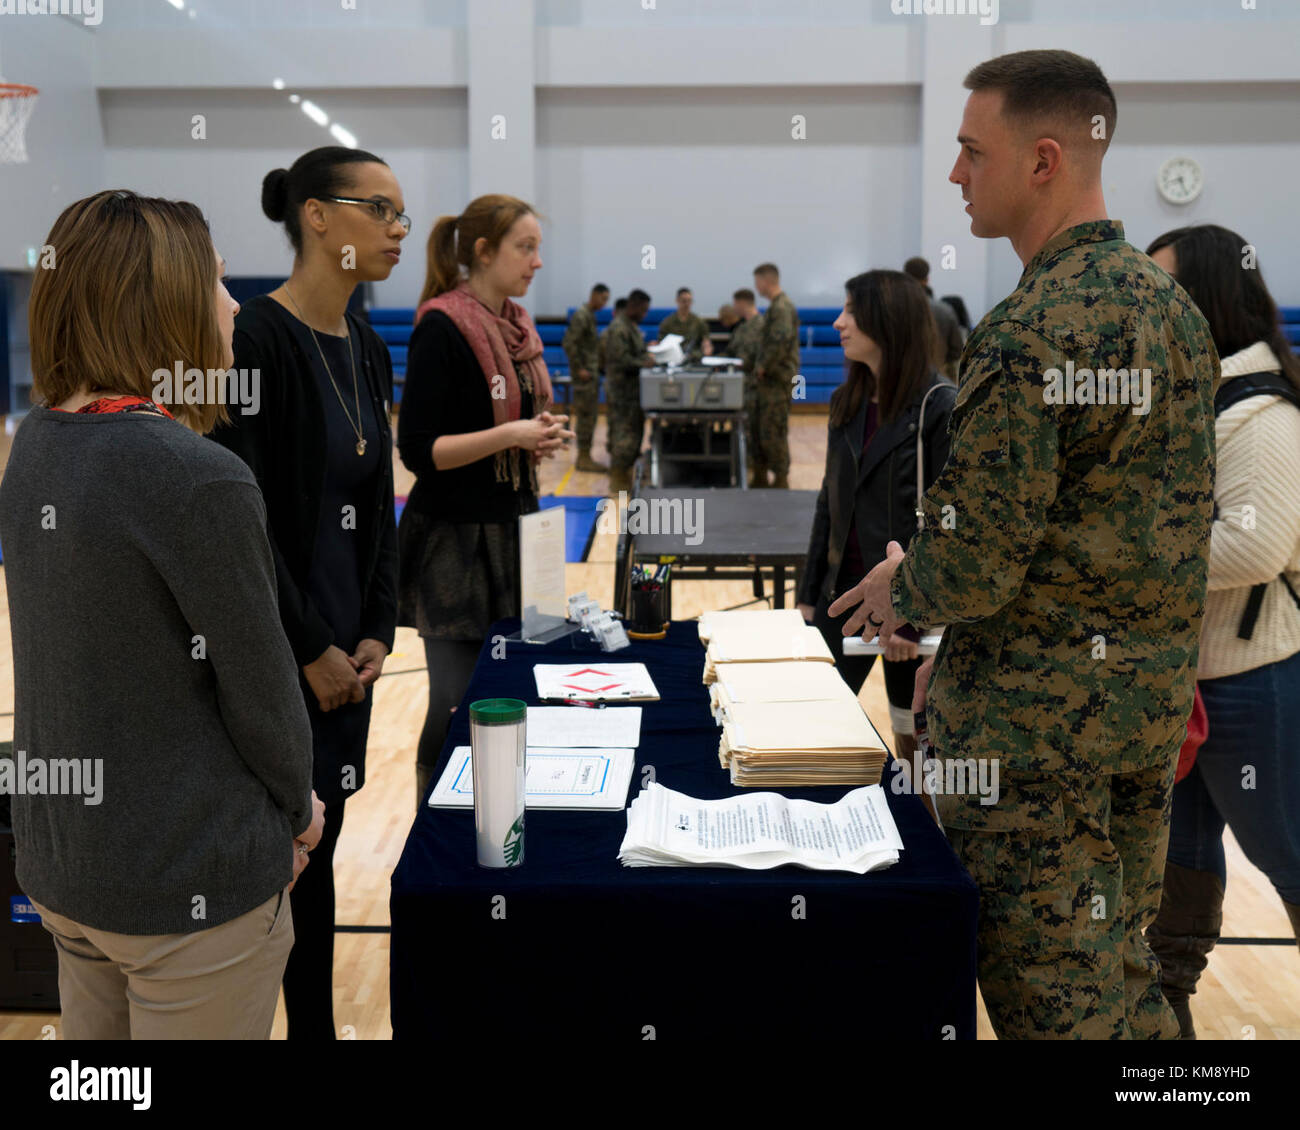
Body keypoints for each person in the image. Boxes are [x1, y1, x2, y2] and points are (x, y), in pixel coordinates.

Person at [832, 49, 1219, 1039]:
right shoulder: (1174, 313)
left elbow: (977, 557)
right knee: (1126, 981)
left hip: (1036, 749)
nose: (956, 173)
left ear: (1043, 158)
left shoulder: (1030, 332)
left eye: (971, 151)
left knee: (1062, 1012)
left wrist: (900, 581)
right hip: (1140, 720)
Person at [0, 189, 325, 1039]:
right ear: (167, 301)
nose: (232, 305)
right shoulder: (194, 474)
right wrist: (300, 809)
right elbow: (262, 693)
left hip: (69, 871)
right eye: (217, 282)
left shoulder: (34, 442)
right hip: (186, 883)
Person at [209, 147, 402, 1040]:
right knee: (282, 868)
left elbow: (377, 500)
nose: (398, 229)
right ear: (317, 218)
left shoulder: (364, 341)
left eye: (401, 213)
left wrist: (374, 629)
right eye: (379, 210)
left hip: (347, 659)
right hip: (283, 656)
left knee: (322, 866)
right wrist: (309, 645)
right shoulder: (258, 340)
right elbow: (241, 527)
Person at [1142, 223, 1300, 1038]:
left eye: (1164, 289)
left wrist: (1134, 550)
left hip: (1251, 681)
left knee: (1287, 852)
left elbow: (1255, 543)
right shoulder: (1192, 395)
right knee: (1180, 862)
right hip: (1182, 676)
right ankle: (1171, 1040)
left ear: (1207, 297)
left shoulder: (1262, 408)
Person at [399, 194, 572, 806]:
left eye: (537, 248)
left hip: (520, 529)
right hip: (456, 543)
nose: (537, 261)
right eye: (525, 248)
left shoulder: (519, 327)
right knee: (454, 701)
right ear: (482, 251)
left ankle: (504, 810)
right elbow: (420, 450)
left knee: (516, 688)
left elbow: (518, 426)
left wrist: (542, 435)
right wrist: (511, 435)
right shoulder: (441, 327)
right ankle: (433, 826)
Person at [797, 270, 956, 767]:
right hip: (842, 598)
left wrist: (914, 619)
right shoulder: (847, 402)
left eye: (851, 311)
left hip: (907, 608)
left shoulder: (939, 405)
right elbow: (830, 499)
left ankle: (918, 834)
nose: (839, 323)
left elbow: (947, 524)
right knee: (814, 730)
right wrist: (807, 594)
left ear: (885, 322)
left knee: (912, 742)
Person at [603, 288, 656, 493]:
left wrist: (646, 351)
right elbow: (621, 360)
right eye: (642, 310)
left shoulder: (630, 327)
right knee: (623, 437)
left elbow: (633, 353)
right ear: (632, 306)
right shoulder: (619, 328)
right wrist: (645, 362)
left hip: (632, 392)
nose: (645, 314)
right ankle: (617, 481)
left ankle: (625, 475)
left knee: (633, 435)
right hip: (622, 392)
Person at [752, 263, 800, 488]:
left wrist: (763, 366)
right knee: (763, 428)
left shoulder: (781, 307)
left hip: (777, 379)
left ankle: (781, 480)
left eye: (757, 282)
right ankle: (761, 477)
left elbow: (779, 342)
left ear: (765, 281)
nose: (756, 287)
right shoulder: (776, 306)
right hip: (771, 380)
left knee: (774, 430)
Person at [562, 283, 610, 472]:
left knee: (590, 416)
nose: (605, 303)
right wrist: (579, 368)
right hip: (584, 377)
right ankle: (583, 458)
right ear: (594, 295)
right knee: (586, 417)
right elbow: (569, 343)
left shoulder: (589, 315)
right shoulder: (582, 315)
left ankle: (585, 456)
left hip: (590, 374)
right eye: (603, 298)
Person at [904, 256, 965, 382]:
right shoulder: (944, 310)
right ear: (927, 279)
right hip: (935, 380)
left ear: (904, 277)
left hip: (900, 380)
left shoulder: (891, 308)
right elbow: (957, 350)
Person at [728, 287, 765, 483]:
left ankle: (760, 476)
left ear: (743, 303)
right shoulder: (741, 328)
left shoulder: (763, 326)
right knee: (746, 434)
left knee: (761, 435)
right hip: (739, 389)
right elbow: (731, 353)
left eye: (735, 304)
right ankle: (748, 474)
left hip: (758, 390)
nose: (734, 308)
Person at [657, 286, 713, 363]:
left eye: (689, 301)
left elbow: (706, 340)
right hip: (672, 358)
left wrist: (707, 347)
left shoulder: (699, 322)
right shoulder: (667, 322)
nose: (687, 304)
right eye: (684, 301)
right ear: (677, 301)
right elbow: (661, 343)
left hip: (693, 357)